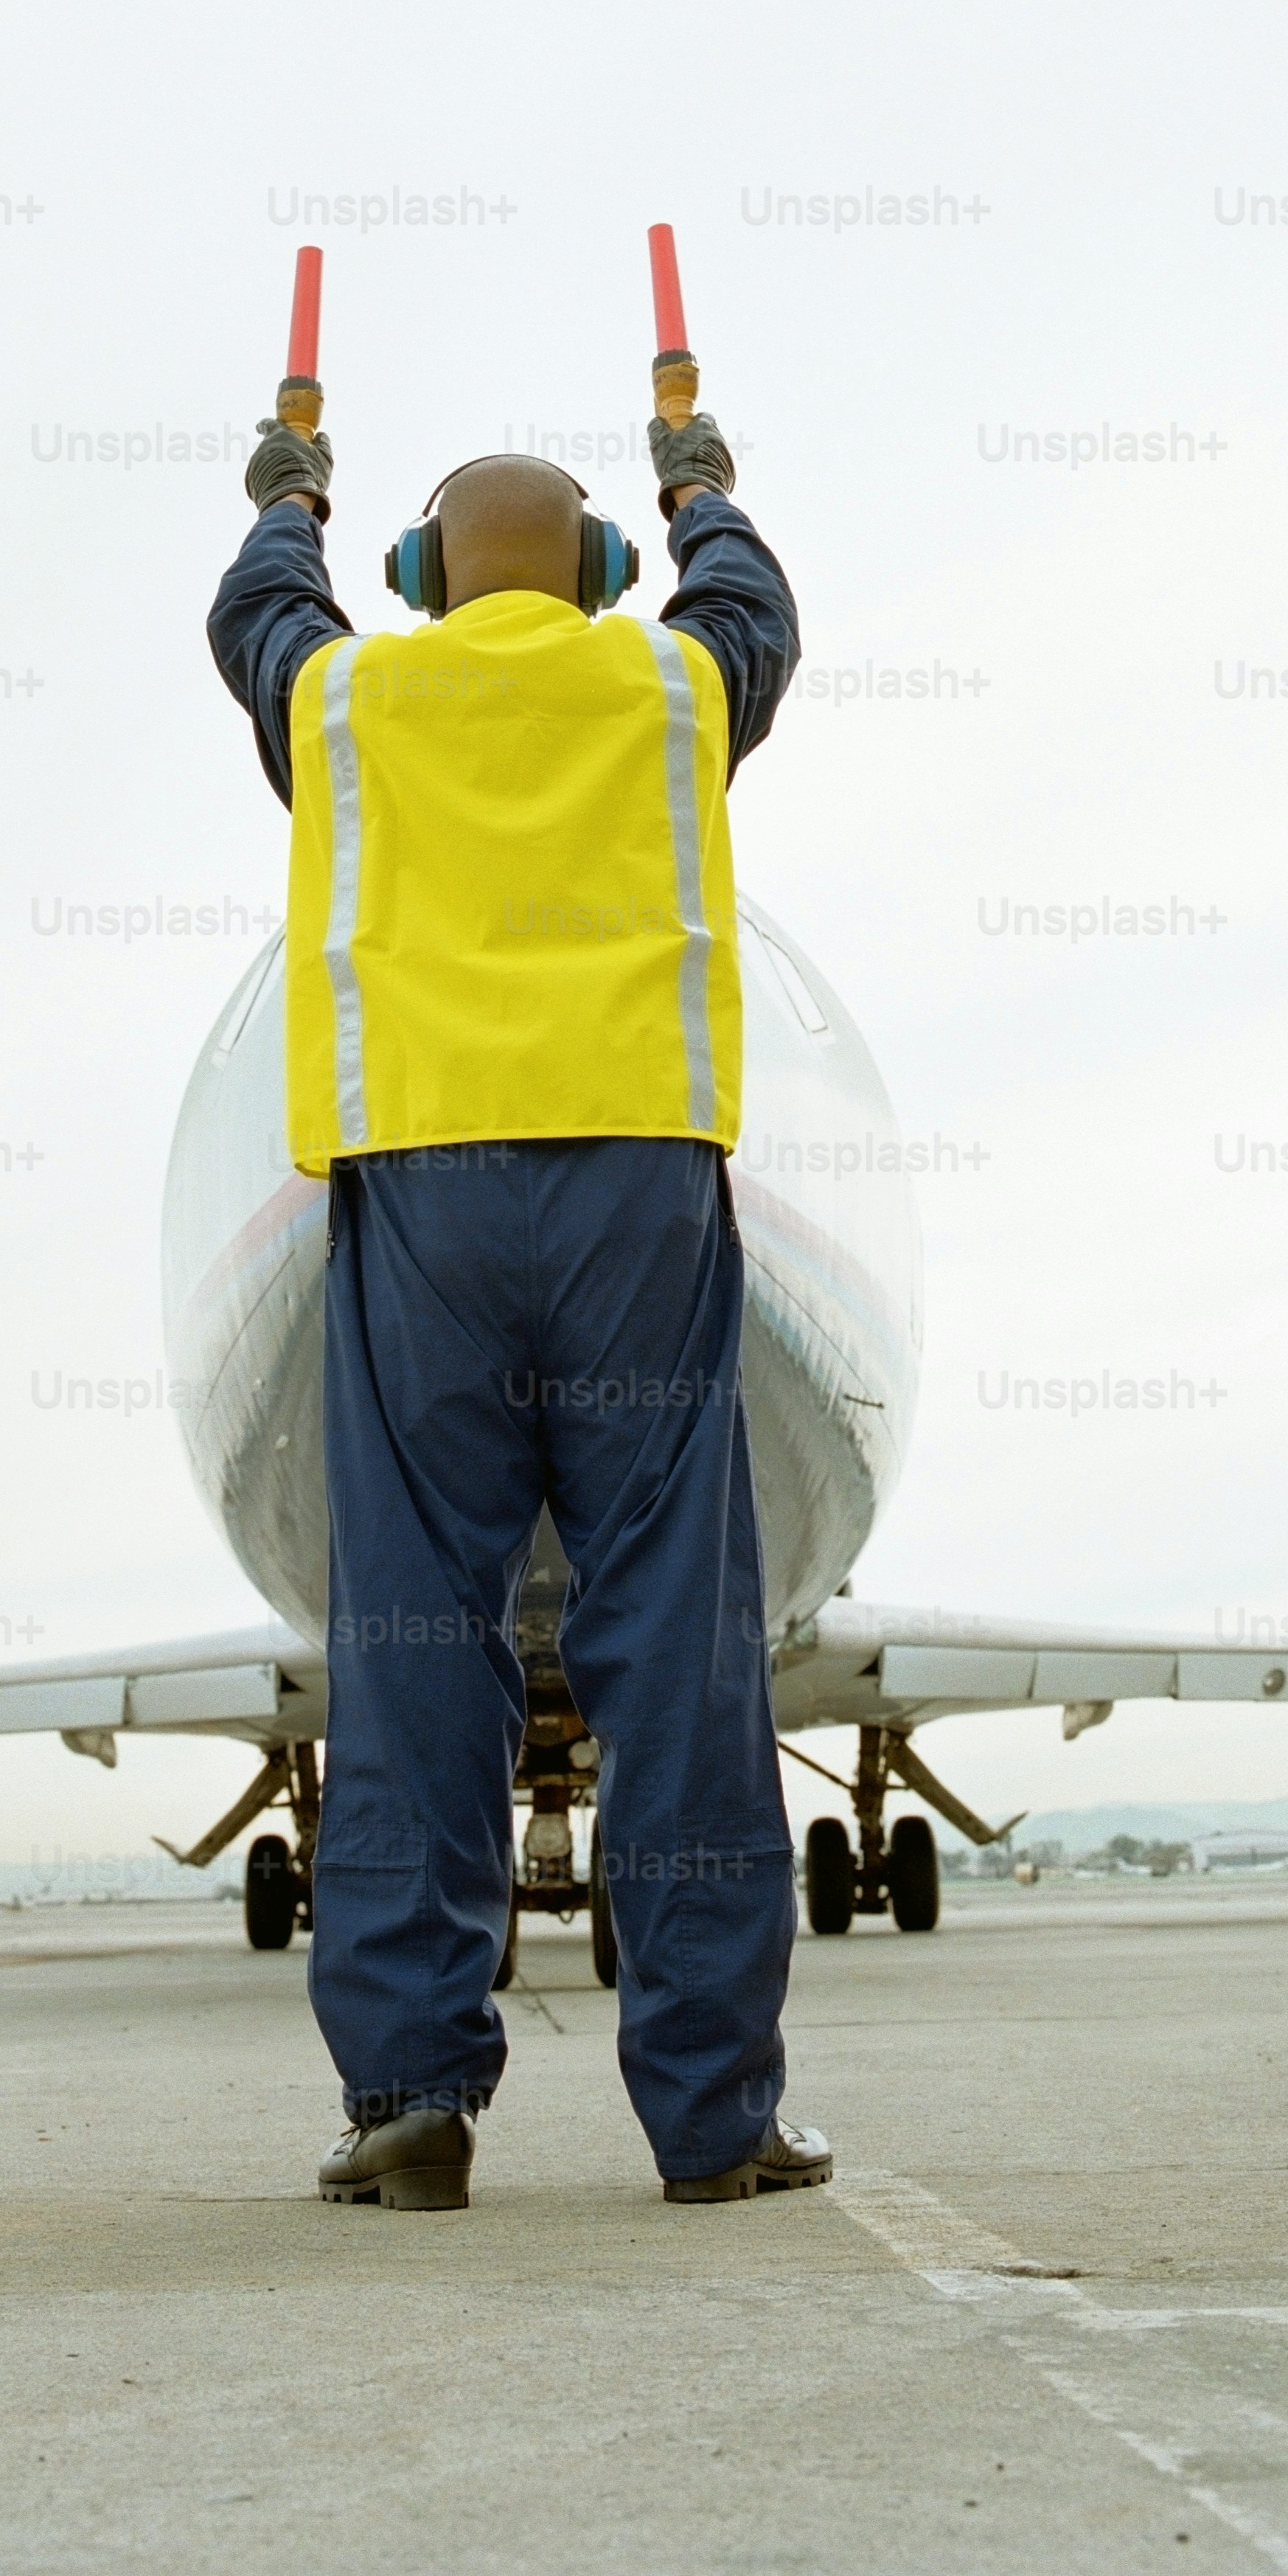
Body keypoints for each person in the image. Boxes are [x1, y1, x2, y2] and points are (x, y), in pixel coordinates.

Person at [206, 353, 832, 2211]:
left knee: (409, 1647)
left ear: (414, 574)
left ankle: (408, 2100)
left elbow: (257, 619)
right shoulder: (662, 681)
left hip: (419, 1190)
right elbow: (753, 612)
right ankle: (713, 2124)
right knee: (681, 1653)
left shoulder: (346, 695)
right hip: (637, 1178)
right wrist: (704, 474)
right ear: (598, 574)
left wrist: (286, 490)